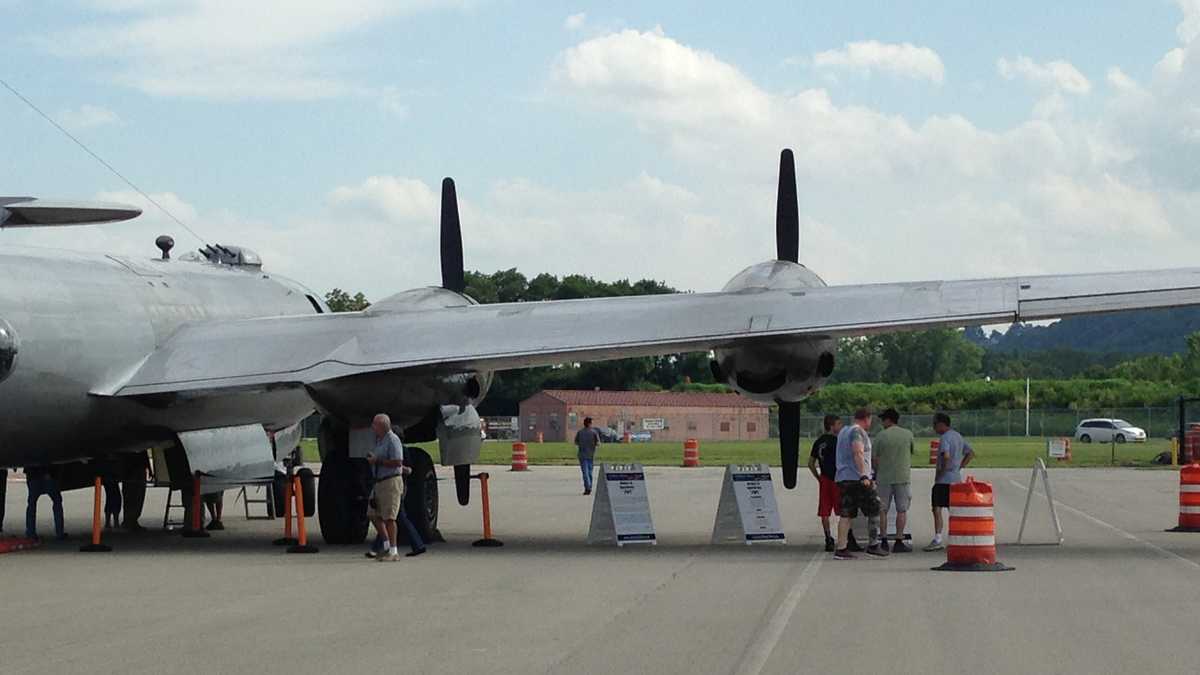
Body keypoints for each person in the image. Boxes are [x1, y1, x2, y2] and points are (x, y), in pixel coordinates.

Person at [366, 414, 425, 561]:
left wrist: (377, 461)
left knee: (391, 518)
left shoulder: (393, 440)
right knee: (373, 514)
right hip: (379, 482)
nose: (372, 427)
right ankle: (386, 545)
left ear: (382, 426)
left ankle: (393, 551)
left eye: (374, 424)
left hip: (390, 482)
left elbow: (398, 462)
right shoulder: (380, 440)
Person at [832, 408, 883, 560]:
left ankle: (841, 548)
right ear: (867, 418)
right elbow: (858, 452)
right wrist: (864, 475)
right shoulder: (857, 432)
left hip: (843, 477)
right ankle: (873, 544)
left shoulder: (843, 431)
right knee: (875, 507)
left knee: (846, 514)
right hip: (857, 478)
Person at [924, 412, 975, 552]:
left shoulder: (945, 438)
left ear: (941, 424)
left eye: (935, 424)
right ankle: (958, 536)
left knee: (937, 508)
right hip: (956, 479)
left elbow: (945, 455)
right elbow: (970, 453)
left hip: (943, 480)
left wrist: (941, 471)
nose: (934, 427)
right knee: (953, 509)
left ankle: (938, 538)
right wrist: (960, 466)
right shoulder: (958, 436)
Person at [873, 408, 914, 553]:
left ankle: (884, 540)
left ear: (888, 420)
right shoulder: (908, 434)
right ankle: (898, 540)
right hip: (902, 477)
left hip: (884, 478)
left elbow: (875, 458)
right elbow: (911, 451)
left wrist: (877, 472)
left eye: (883, 419)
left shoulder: (881, 436)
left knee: (882, 510)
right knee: (902, 510)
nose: (882, 422)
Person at [807, 414, 844, 552]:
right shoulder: (837, 441)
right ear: (832, 426)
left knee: (825, 511)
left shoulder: (818, 442)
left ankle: (828, 538)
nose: (840, 427)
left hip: (824, 478)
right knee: (843, 511)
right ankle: (845, 537)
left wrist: (818, 477)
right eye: (838, 424)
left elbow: (811, 463)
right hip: (836, 479)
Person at [25, 465, 66, 540]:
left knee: (31, 504)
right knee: (57, 502)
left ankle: (30, 532)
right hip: (49, 474)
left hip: (33, 474)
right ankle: (59, 532)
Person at [121, 452, 149, 531]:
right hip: (132, 467)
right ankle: (130, 520)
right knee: (134, 495)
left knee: (135, 495)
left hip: (133, 467)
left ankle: (131, 520)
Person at [574, 417, 601, 495]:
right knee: (589, 472)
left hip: (582, 455)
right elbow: (598, 443)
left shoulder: (580, 432)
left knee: (585, 472)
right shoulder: (594, 432)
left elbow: (576, 442)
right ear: (589, 424)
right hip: (591, 455)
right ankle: (589, 487)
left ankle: (588, 487)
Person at [102, 457, 122, 530]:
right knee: (114, 497)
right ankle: (114, 522)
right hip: (110, 472)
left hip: (108, 471)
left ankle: (109, 522)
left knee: (111, 497)